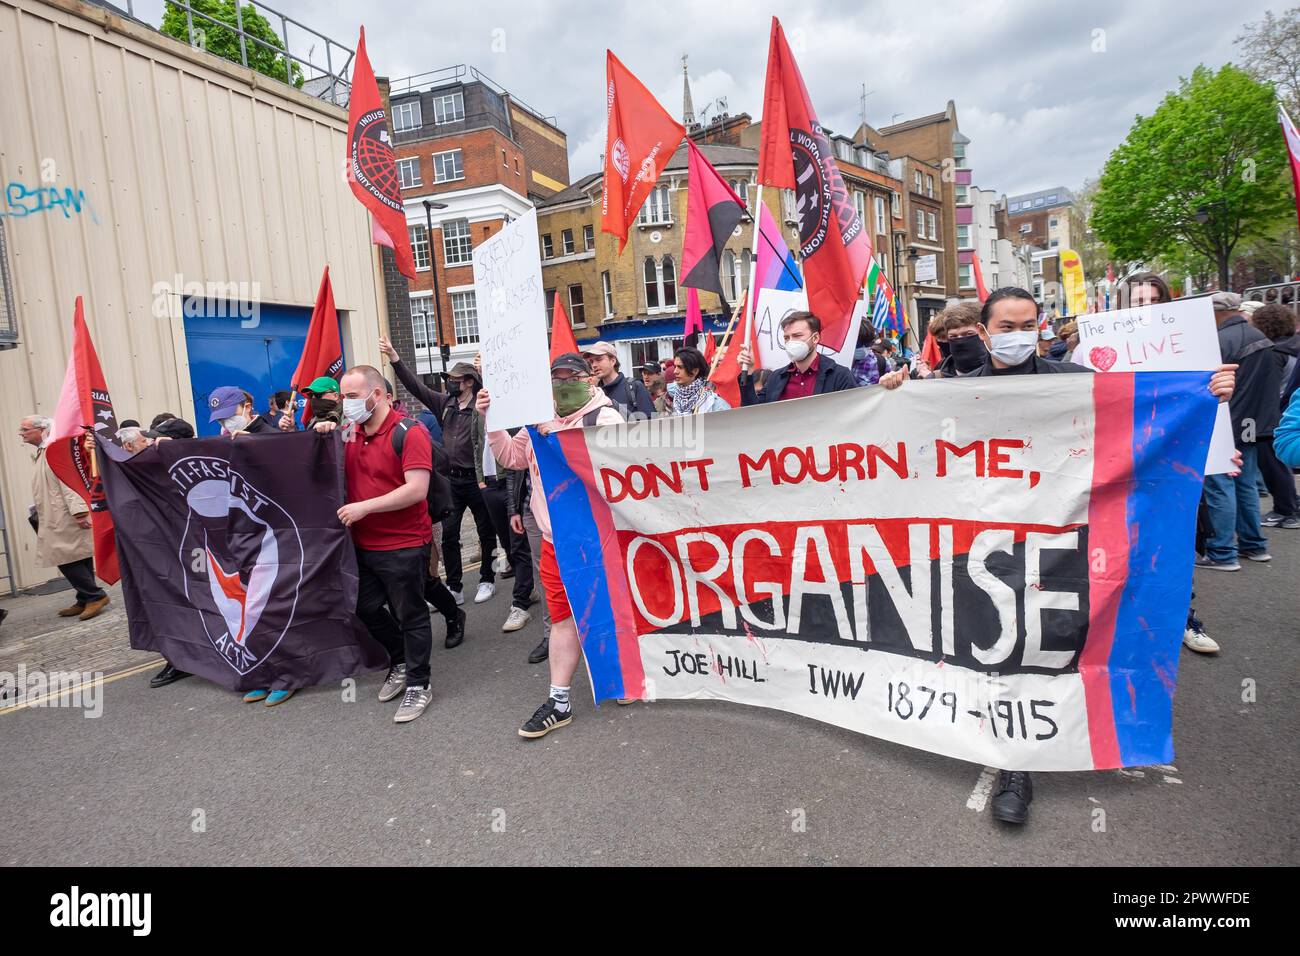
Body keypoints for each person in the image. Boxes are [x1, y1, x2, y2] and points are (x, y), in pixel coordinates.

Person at [903, 287, 1236, 825]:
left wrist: (1207, 393)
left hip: (1056, 539)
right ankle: (1005, 751)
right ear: (985, 331)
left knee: (1044, 641)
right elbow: (908, 441)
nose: (1018, 333)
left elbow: (1146, 413)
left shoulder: (1076, 380)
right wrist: (894, 392)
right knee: (993, 639)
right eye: (1006, 324)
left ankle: (1026, 755)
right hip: (982, 543)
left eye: (1028, 322)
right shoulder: (953, 392)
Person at [478, 353, 622, 737]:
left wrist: (556, 438)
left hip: (598, 540)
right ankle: (560, 700)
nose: (561, 385)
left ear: (590, 379)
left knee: (605, 610)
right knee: (562, 618)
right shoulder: (538, 420)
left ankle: (618, 675)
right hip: (555, 543)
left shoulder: (605, 419)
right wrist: (491, 420)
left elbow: (615, 477)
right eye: (554, 379)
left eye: (569, 377)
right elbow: (511, 458)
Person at [319, 365, 441, 722]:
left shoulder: (409, 431)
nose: (346, 403)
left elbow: (416, 489)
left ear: (376, 394)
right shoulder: (348, 432)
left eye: (352, 396)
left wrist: (364, 508)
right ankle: (400, 660)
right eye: (342, 396)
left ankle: (420, 683)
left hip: (403, 543)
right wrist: (320, 430)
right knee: (364, 608)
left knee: (410, 614)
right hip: (361, 544)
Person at [379, 337, 498, 606]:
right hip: (452, 481)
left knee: (485, 531)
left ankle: (486, 579)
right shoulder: (445, 404)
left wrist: (487, 369)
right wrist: (395, 359)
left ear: (468, 381)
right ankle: (454, 587)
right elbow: (416, 387)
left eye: (455, 378)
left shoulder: (484, 404)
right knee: (450, 534)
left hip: (478, 482)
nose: (449, 382)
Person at [1198, 291, 1278, 571]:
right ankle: (1254, 544)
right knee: (1245, 485)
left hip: (1226, 421)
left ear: (1216, 313)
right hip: (1255, 423)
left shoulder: (1218, 341)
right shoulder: (1262, 339)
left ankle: (1222, 551)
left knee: (1219, 485)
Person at [20, 415, 110, 622]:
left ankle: (96, 596)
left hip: (64, 514)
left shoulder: (54, 451)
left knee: (65, 558)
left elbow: (69, 482)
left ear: (41, 429)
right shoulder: (44, 451)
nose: (21, 433)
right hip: (56, 512)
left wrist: (79, 512)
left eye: (25, 429)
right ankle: (85, 597)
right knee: (78, 554)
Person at [738, 311, 890, 403]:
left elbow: (858, 412)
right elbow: (754, 416)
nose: (791, 342)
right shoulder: (776, 379)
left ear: (815, 338)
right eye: (786, 338)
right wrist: (749, 372)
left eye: (797, 336)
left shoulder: (839, 375)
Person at [1248, 303, 1300, 529]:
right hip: (1284, 413)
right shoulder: (1292, 347)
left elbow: (1270, 388)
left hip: (1274, 417)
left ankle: (1286, 511)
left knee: (1273, 466)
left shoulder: (1273, 353)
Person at [582, 341, 654, 420]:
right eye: (591, 362)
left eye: (599, 359)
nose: (594, 365)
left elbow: (652, 424)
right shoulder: (595, 393)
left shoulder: (635, 387)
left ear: (613, 361)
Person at [670, 347, 731, 414]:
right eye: (675, 367)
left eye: (680, 367)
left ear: (695, 371)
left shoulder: (713, 402)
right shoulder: (674, 399)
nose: (675, 371)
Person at [207, 386, 277, 436]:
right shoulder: (225, 439)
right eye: (220, 419)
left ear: (247, 407)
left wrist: (255, 444)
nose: (227, 424)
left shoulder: (272, 437)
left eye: (230, 415)